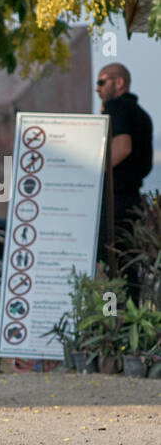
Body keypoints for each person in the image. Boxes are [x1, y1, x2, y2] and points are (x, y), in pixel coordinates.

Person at [97, 63, 154, 303]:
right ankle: (129, 321)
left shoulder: (116, 106)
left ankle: (112, 321)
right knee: (127, 265)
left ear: (119, 83)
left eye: (102, 82)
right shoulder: (141, 114)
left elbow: (122, 147)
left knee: (109, 264)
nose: (97, 88)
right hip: (132, 200)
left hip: (115, 201)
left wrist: (93, 171)